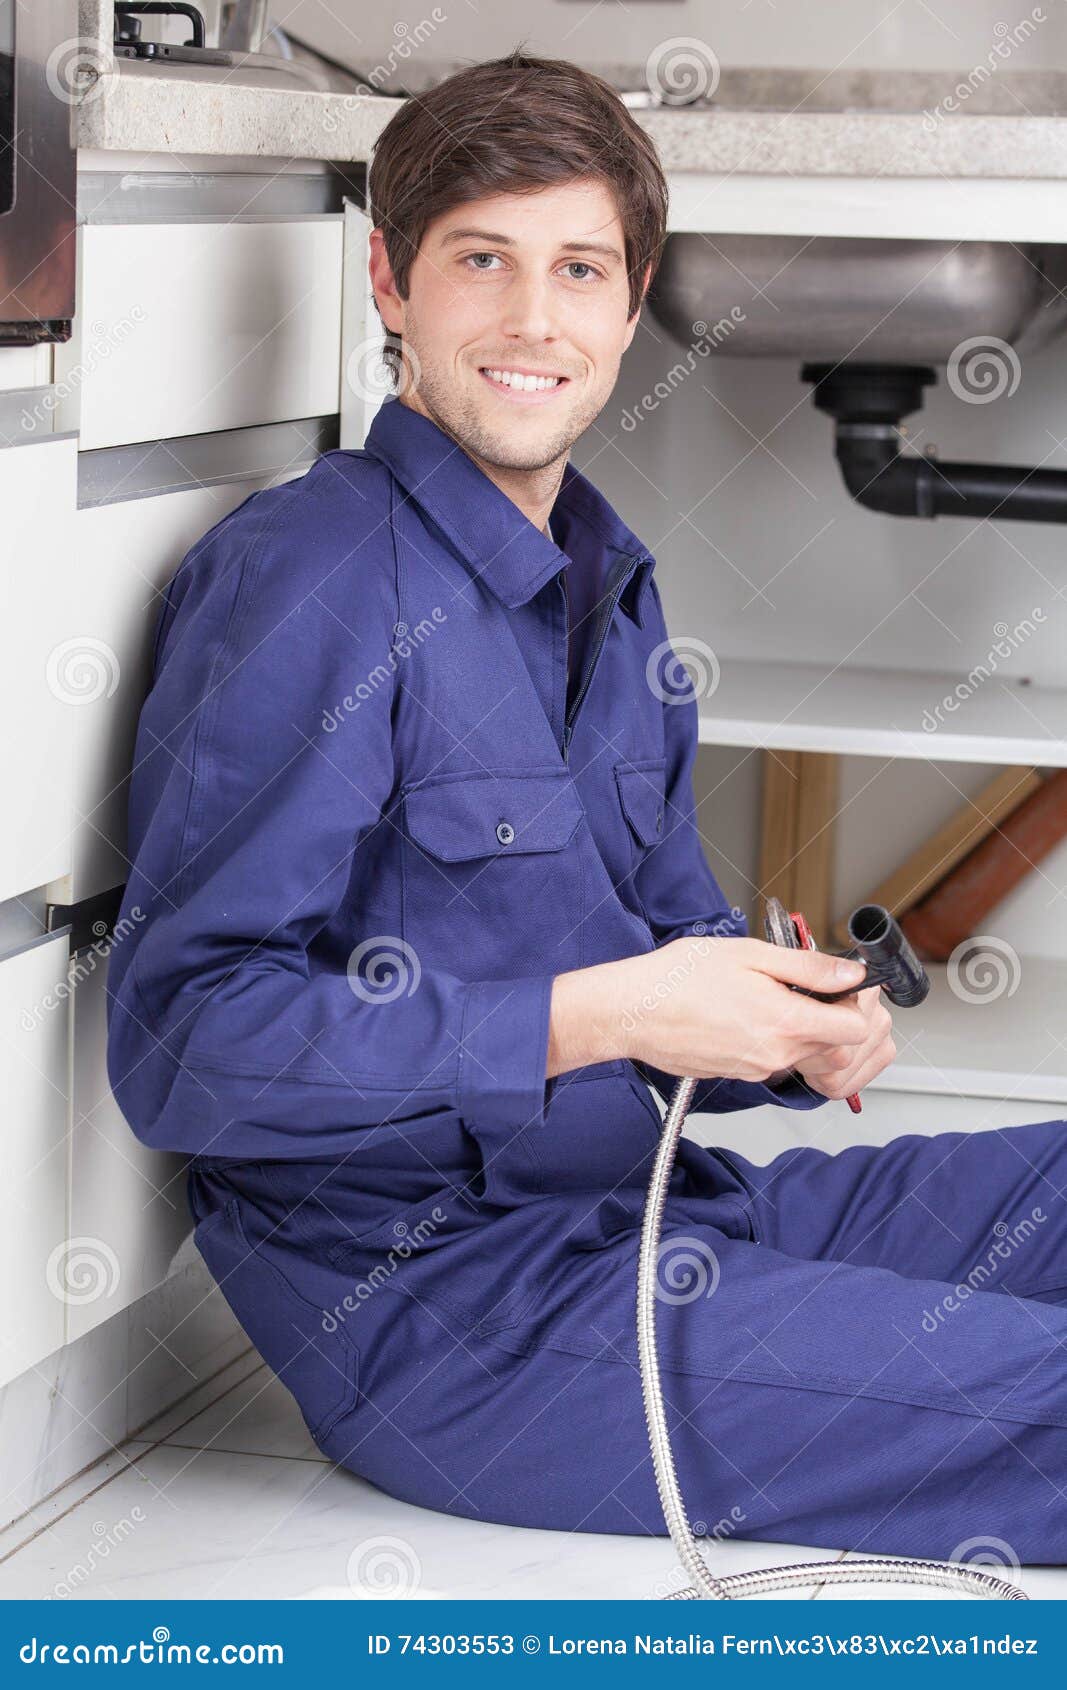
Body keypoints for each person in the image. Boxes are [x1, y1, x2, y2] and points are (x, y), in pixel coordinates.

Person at [107, 49, 1067, 1569]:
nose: (534, 321)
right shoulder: (311, 582)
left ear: (634, 306)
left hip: (670, 1215)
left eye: (579, 269)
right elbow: (185, 1047)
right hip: (459, 1319)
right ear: (390, 281)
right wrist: (608, 1012)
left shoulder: (608, 585)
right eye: (481, 260)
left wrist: (792, 1027)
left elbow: (669, 958)